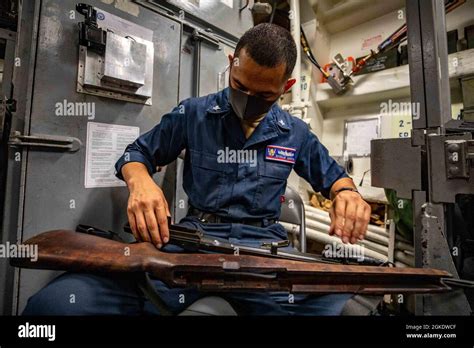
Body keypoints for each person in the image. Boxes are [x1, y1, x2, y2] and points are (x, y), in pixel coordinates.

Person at [23, 23, 371, 316]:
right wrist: (141, 181)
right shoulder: (193, 114)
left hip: (266, 255)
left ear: (286, 88)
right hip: (193, 247)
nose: (247, 99)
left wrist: (348, 195)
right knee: (56, 305)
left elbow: (336, 179)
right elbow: (136, 153)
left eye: (263, 94)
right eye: (240, 86)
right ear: (232, 63)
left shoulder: (296, 133)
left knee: (354, 304)